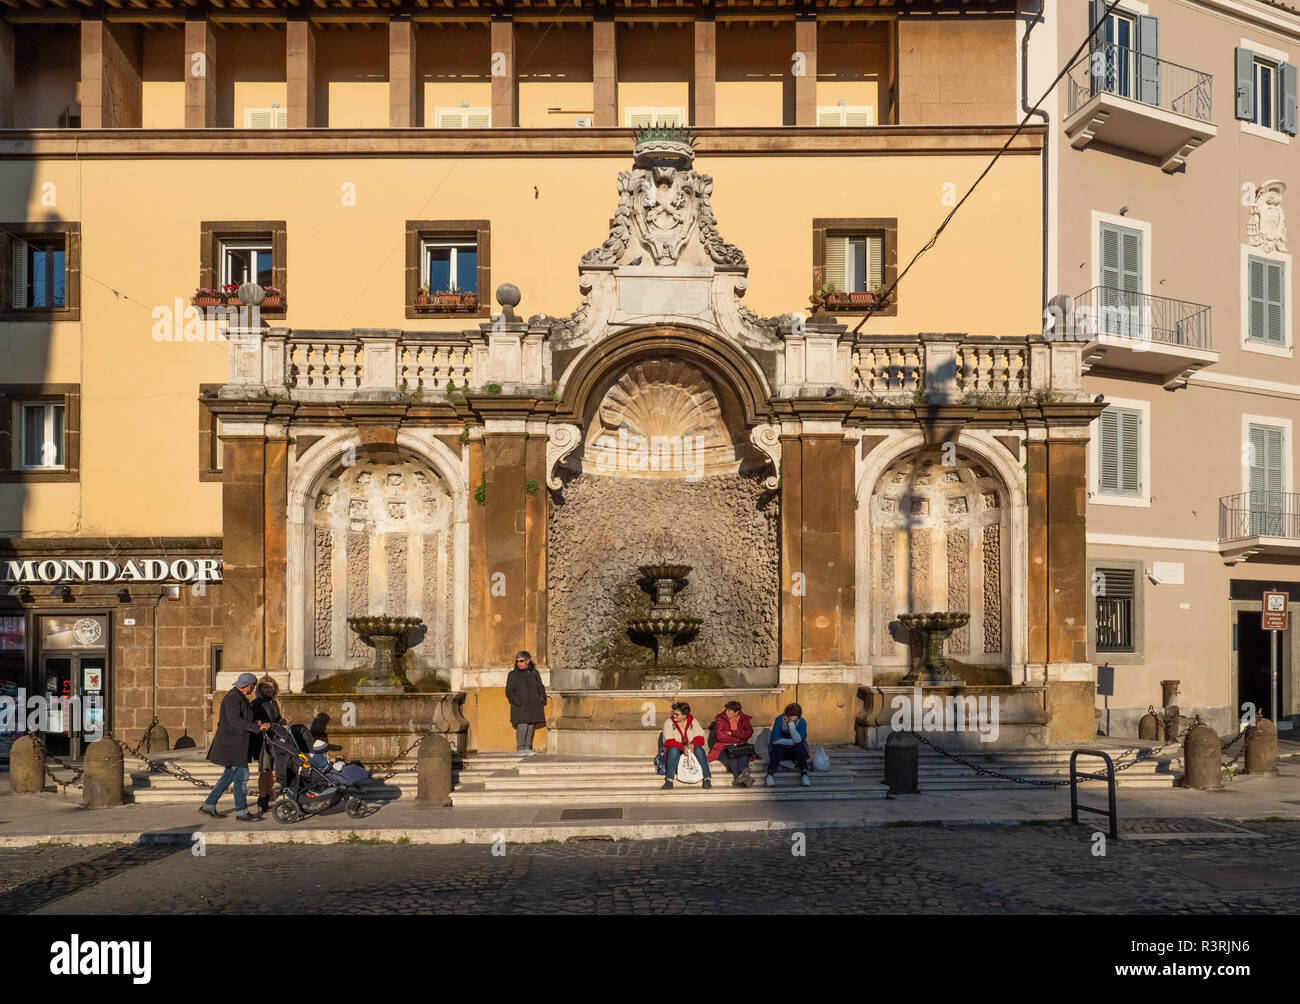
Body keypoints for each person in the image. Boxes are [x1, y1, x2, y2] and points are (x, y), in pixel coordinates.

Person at [200, 672, 270, 820]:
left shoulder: (239, 697)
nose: (253, 689)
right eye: (253, 686)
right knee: (242, 777)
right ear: (249, 685)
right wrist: (257, 728)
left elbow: (241, 718)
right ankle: (242, 812)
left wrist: (254, 723)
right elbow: (234, 721)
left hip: (237, 745)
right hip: (232, 745)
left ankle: (208, 805)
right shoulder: (232, 698)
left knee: (228, 776)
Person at [250, 675, 291, 814]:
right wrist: (258, 724)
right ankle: (262, 799)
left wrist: (283, 721)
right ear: (260, 688)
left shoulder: (273, 703)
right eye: (266, 687)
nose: (269, 689)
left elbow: (276, 720)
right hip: (264, 741)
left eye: (272, 687)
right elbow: (253, 720)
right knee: (265, 771)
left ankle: (265, 798)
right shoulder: (256, 703)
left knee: (275, 771)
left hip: (276, 739)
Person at [661, 701, 712, 790]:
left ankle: (707, 778)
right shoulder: (668, 722)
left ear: (684, 715)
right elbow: (668, 741)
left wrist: (693, 744)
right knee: (673, 749)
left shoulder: (693, 722)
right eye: (673, 713)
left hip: (690, 751)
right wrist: (682, 747)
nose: (674, 716)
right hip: (676, 753)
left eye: (677, 715)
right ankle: (669, 780)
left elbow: (700, 737)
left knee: (699, 749)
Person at [505, 650, 547, 757]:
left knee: (530, 725)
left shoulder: (534, 673)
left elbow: (540, 686)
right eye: (517, 661)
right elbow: (509, 691)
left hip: (533, 704)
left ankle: (528, 747)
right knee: (522, 725)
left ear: (527, 661)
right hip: (520, 706)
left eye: (521, 661)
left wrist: (541, 697)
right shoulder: (513, 674)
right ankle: (520, 748)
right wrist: (517, 701)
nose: (519, 663)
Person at [708, 700, 755, 787]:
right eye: (726, 710)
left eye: (729, 711)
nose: (726, 712)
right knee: (732, 757)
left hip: (740, 746)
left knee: (744, 756)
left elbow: (748, 733)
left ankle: (739, 779)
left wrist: (733, 733)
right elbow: (720, 736)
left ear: (736, 712)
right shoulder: (720, 719)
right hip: (724, 747)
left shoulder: (744, 719)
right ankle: (742, 778)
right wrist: (739, 739)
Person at [765, 702, 811, 788]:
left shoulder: (802, 722)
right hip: (781, 752)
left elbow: (799, 740)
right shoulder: (779, 720)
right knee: (779, 747)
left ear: (797, 716)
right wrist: (792, 741)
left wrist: (791, 725)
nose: (790, 717)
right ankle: (770, 775)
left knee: (798, 746)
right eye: (789, 715)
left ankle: (804, 774)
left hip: (796, 753)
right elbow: (775, 739)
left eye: (793, 716)